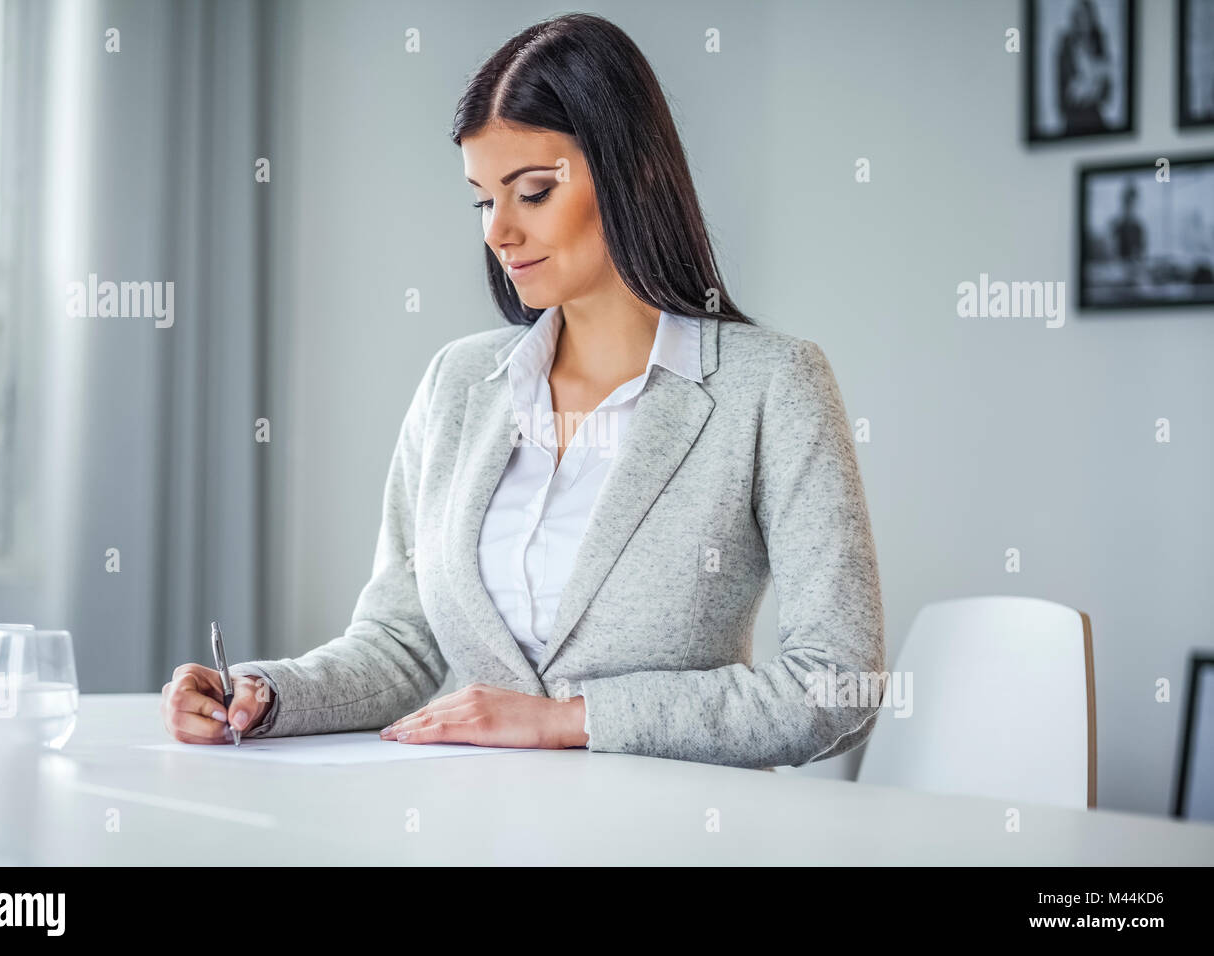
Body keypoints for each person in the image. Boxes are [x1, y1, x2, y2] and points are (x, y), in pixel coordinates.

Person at [160, 13, 886, 769]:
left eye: (533, 191)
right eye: (482, 200)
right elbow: (402, 646)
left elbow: (837, 684)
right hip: (474, 829)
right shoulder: (457, 384)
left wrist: (570, 719)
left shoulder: (771, 387)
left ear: (633, 171)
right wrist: (263, 695)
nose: (497, 231)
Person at [1056, 0, 1112, 135]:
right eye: (1078, 17)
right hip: (1074, 119)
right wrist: (1090, 86)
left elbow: (1105, 90)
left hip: (1094, 117)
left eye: (1085, 16)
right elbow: (1070, 93)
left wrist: (1088, 88)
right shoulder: (1066, 47)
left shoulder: (1099, 44)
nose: (1082, 22)